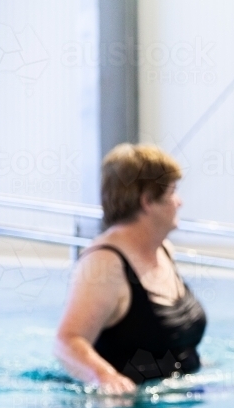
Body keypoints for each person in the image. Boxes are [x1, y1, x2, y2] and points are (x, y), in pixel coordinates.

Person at [55, 144, 207, 394]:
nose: (179, 202)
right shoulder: (104, 264)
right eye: (172, 192)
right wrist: (104, 377)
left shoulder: (163, 250)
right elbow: (67, 341)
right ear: (147, 201)